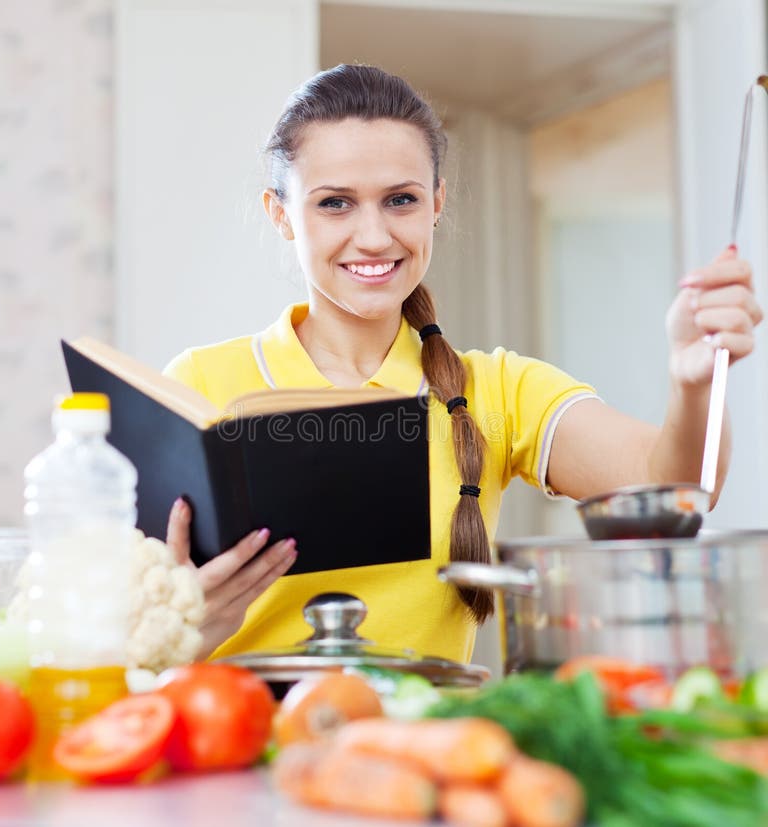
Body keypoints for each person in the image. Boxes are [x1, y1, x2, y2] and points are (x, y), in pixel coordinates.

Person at [163, 64, 763, 663]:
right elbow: (134, 634)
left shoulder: (498, 392)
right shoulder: (198, 385)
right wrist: (189, 627)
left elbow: (676, 489)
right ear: (281, 214)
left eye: (400, 200)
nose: (373, 237)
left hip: (429, 725)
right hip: (231, 725)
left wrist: (695, 383)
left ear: (436, 203)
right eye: (335, 203)